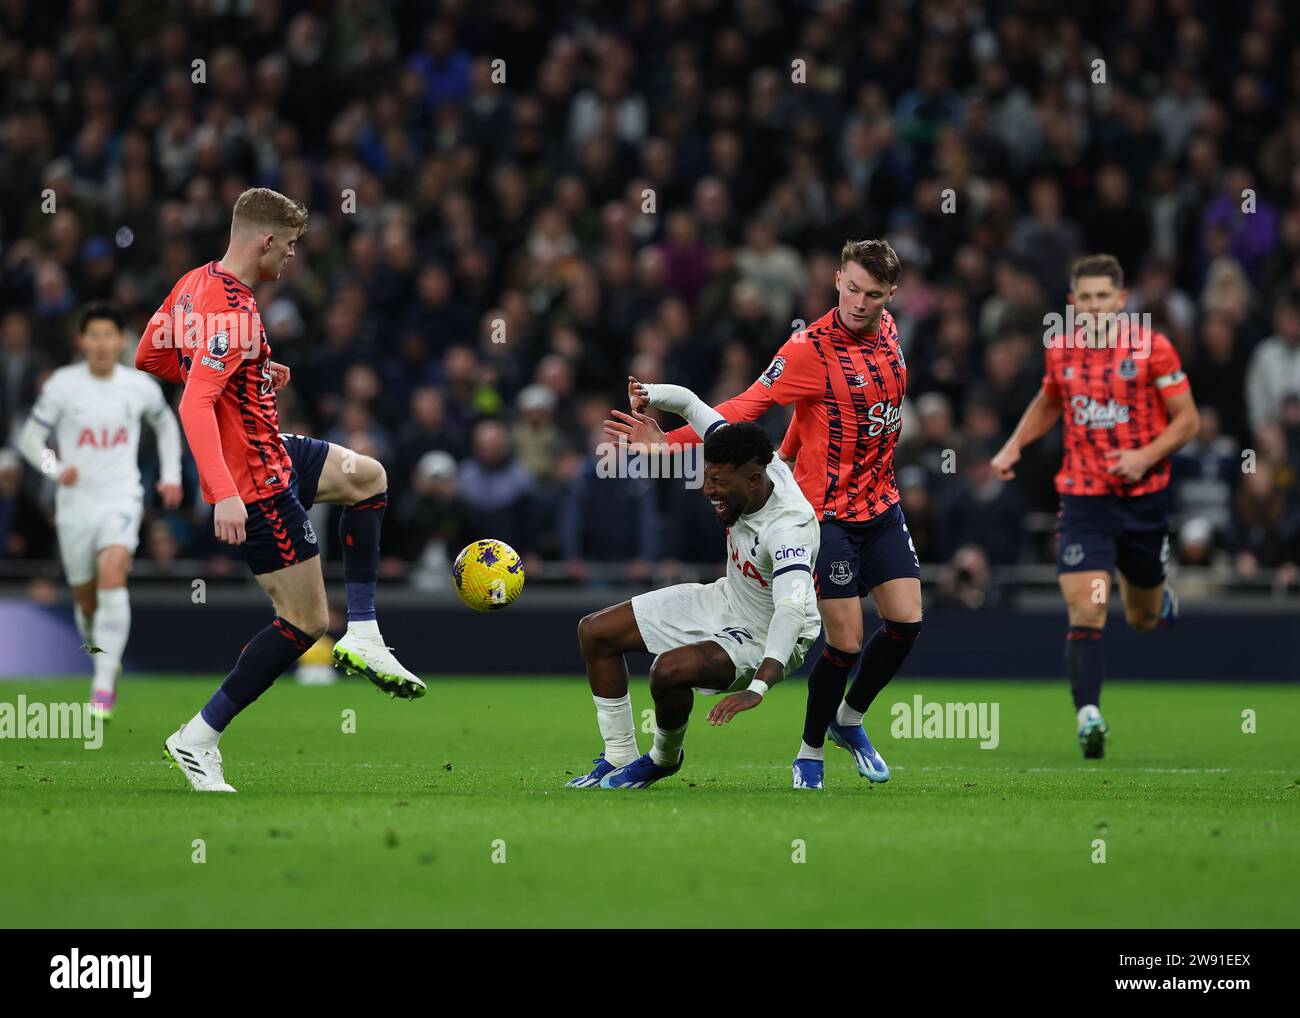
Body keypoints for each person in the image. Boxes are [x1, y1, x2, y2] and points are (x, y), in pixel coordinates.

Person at [135, 187, 423, 793]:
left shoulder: (192, 283)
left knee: (369, 478)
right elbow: (194, 404)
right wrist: (223, 493)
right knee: (307, 619)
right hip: (255, 481)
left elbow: (150, 356)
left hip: (275, 449)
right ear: (266, 241)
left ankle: (366, 633)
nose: (290, 259)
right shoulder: (236, 315)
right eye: (289, 248)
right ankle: (198, 737)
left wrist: (250, 370)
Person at [638, 239, 921, 790]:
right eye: (854, 289)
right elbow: (746, 406)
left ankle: (849, 721)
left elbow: (820, 409)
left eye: (875, 295)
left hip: (881, 503)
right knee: (844, 642)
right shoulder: (807, 349)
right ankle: (810, 753)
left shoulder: (888, 332)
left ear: (891, 295)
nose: (862, 303)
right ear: (837, 279)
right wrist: (668, 442)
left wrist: (790, 448)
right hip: (827, 515)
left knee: (907, 624)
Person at [992, 254, 1199, 758]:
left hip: (1143, 501)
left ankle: (1158, 597)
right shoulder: (1061, 352)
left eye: (1104, 297)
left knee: (1144, 617)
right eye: (1085, 298)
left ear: (1121, 301)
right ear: (1072, 303)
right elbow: (1050, 401)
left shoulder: (1154, 349)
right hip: (1084, 499)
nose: (1094, 306)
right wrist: (1015, 444)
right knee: (1088, 607)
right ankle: (1089, 717)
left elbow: (1188, 421)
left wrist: (1144, 456)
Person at [567, 388, 820, 790]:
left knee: (668, 670)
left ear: (755, 480)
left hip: (766, 637)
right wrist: (650, 393)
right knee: (595, 631)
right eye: (707, 476)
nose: (708, 490)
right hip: (723, 600)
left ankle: (663, 759)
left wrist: (758, 687)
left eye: (718, 482)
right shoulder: (742, 456)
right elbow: (689, 404)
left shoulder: (789, 529)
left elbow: (791, 610)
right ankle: (618, 755)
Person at [16, 304, 182, 717]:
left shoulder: (138, 385)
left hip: (121, 498)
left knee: (113, 574)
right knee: (87, 602)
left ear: (121, 341)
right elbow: (30, 438)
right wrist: (55, 469)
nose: (102, 344)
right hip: (75, 505)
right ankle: (105, 657)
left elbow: (165, 424)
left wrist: (172, 475)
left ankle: (103, 685)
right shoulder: (62, 386)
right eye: (94, 336)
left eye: (109, 335)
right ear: (81, 341)